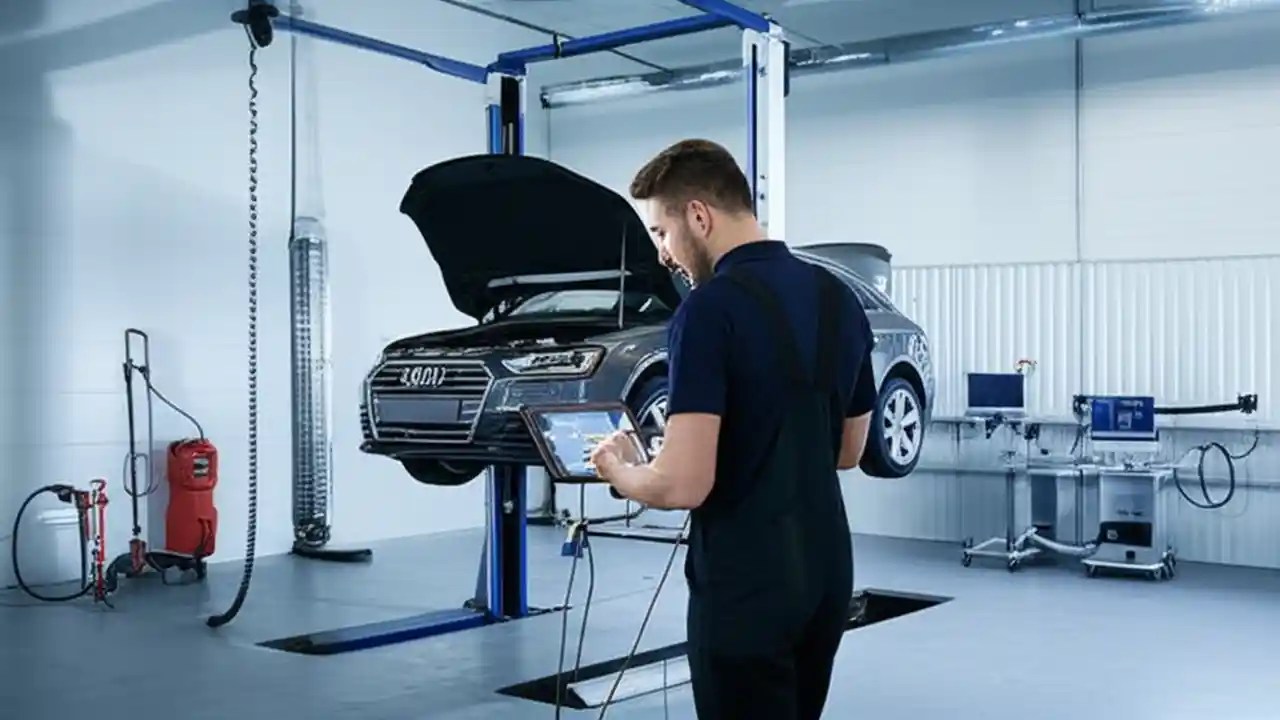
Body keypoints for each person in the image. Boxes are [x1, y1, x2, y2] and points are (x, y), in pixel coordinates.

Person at [588, 138, 879, 719]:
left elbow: (682, 486)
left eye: (662, 233)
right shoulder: (838, 297)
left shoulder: (708, 311)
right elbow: (849, 450)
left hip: (748, 586)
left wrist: (620, 470)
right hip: (825, 574)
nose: (665, 255)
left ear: (699, 215)